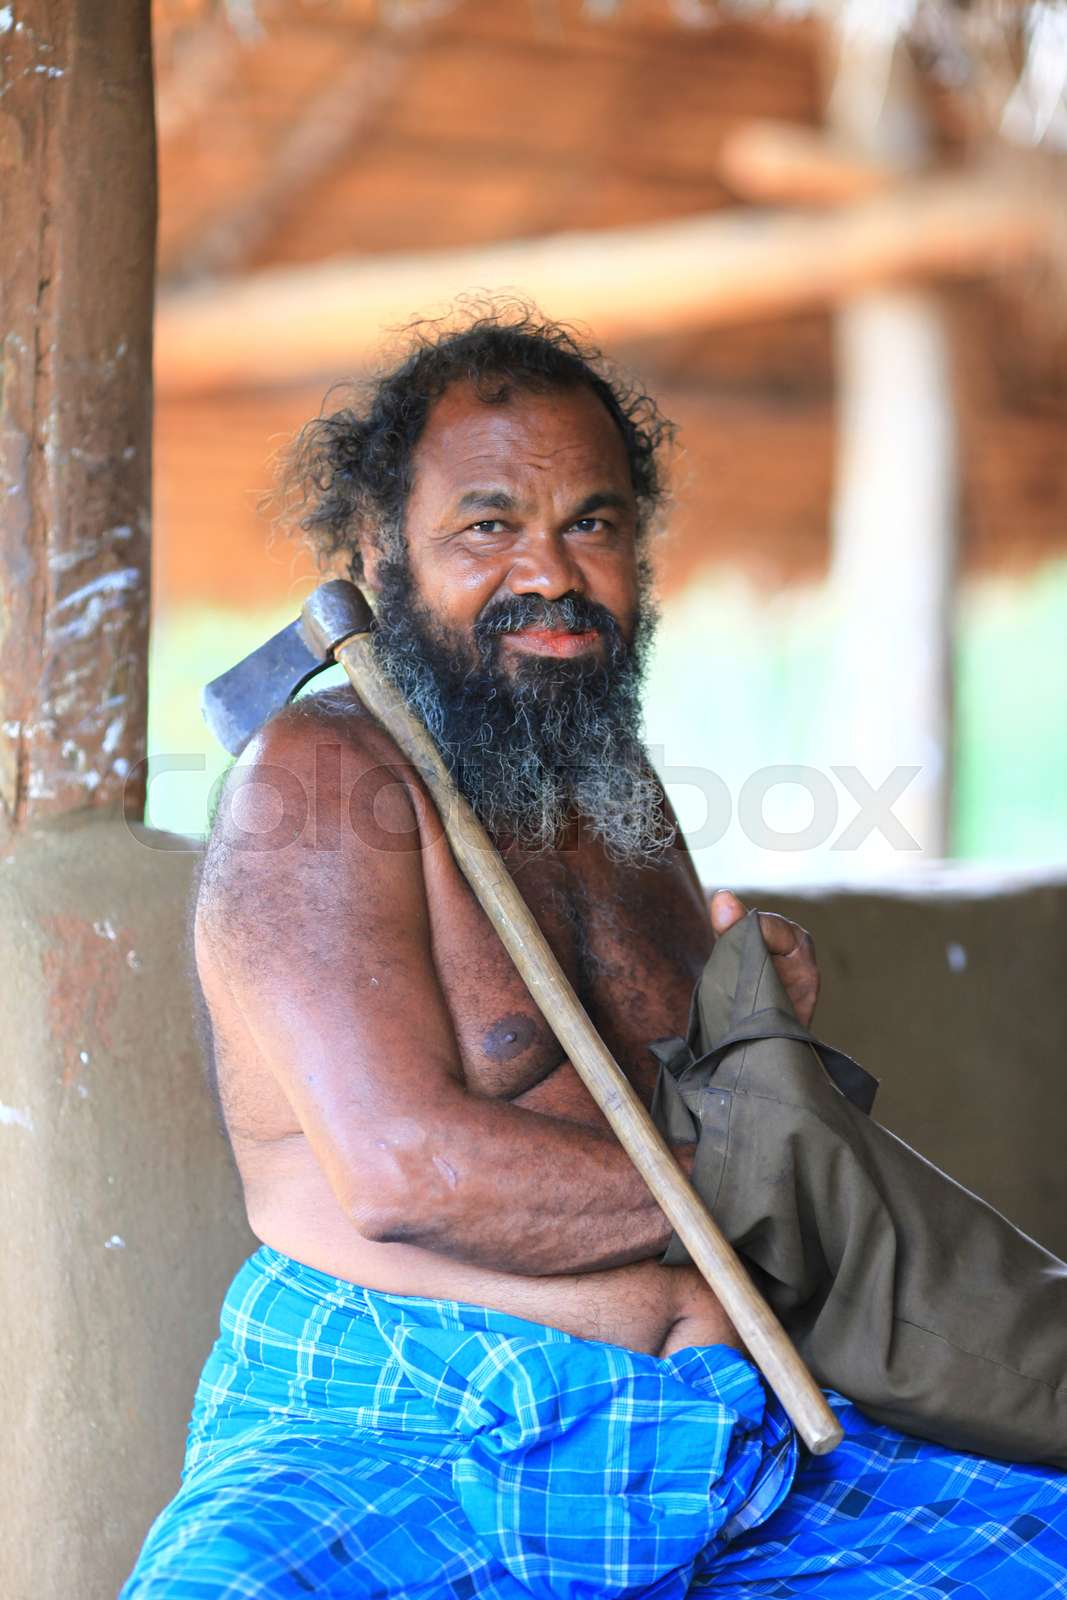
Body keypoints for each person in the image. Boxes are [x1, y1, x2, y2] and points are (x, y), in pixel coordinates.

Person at [123, 308, 1067, 1598]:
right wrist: (761, 1177)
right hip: (417, 1440)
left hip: (733, 1445)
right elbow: (404, 1172)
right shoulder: (320, 779)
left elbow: (666, 1096)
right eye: (487, 527)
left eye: (594, 524)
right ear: (380, 554)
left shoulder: (610, 782)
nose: (551, 573)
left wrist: (751, 1032)